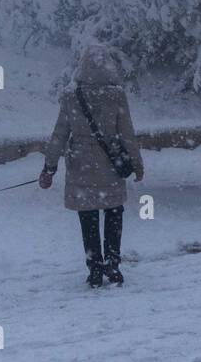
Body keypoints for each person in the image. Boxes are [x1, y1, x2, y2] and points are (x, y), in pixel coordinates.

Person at [39, 45, 145, 287]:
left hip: (81, 167)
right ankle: (113, 265)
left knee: (88, 218)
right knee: (114, 215)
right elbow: (127, 133)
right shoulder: (116, 95)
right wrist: (137, 163)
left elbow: (59, 134)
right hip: (111, 164)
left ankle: (95, 269)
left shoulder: (71, 95)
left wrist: (49, 167)